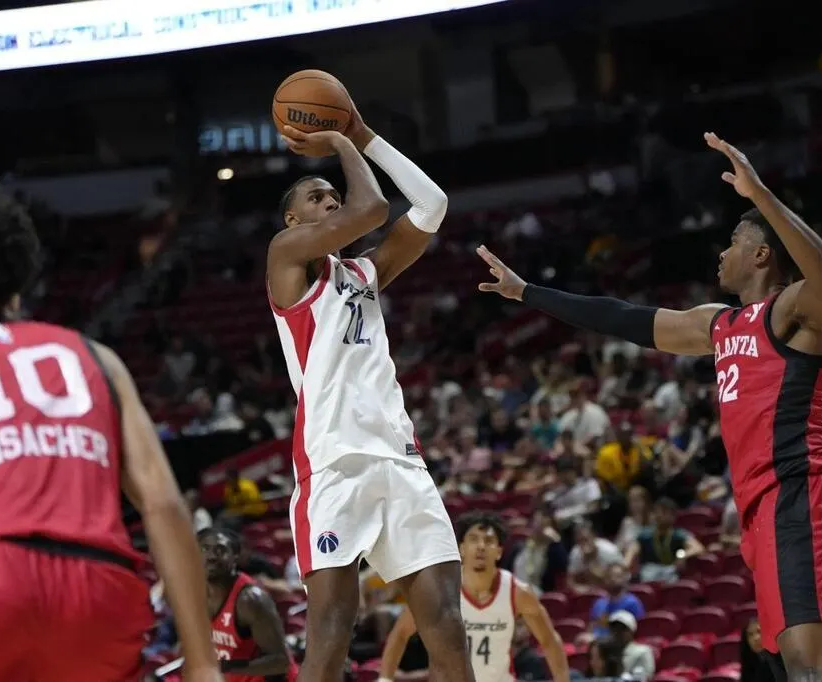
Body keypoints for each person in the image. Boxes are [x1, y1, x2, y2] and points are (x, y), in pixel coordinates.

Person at [477, 132, 822, 681]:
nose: (720, 253)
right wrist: (528, 292)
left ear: (761, 253)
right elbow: (624, 317)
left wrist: (762, 197)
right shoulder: (719, 324)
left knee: (815, 673)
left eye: (732, 241)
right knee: (794, 672)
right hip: (761, 510)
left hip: (799, 493)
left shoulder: (792, 311)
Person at [0, 188, 220, 682]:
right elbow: (163, 505)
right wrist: (204, 663)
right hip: (101, 593)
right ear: (25, 273)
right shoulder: (98, 359)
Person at [268, 95, 467, 682]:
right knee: (332, 630)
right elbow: (374, 206)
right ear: (295, 222)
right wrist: (340, 142)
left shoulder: (366, 272)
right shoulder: (286, 260)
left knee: (447, 623)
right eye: (316, 198)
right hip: (333, 463)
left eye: (333, 194)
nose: (329, 202)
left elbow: (433, 203)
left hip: (400, 460)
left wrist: (367, 135)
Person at [378, 512, 570, 682]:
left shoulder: (518, 592)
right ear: (461, 549)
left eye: (488, 541)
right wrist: (385, 678)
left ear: (499, 551)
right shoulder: (440, 591)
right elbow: (400, 633)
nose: (481, 546)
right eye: (473, 539)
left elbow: (549, 641)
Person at [157, 529, 296, 681]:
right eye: (204, 549)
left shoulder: (250, 600)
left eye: (220, 550)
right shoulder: (194, 595)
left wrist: (226, 666)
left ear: (235, 556)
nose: (211, 556)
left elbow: (281, 662)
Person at [624, 496, 705, 583]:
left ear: (673, 516)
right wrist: (624, 567)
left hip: (671, 570)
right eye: (657, 512)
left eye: (664, 512)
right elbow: (631, 552)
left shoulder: (679, 534)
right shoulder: (645, 535)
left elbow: (698, 548)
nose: (659, 515)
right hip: (649, 572)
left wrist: (682, 555)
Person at [606, 611, 656, 679]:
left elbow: (646, 677)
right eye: (614, 628)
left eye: (623, 628)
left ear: (632, 631)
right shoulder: (605, 652)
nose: (617, 632)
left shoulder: (643, 651)